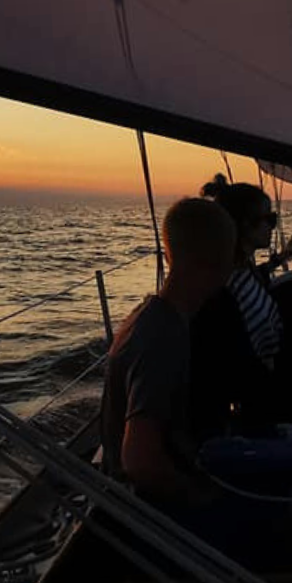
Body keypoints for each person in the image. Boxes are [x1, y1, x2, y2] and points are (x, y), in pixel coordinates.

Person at [100, 197, 236, 504]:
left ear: (169, 254)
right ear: (223, 263)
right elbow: (140, 461)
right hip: (156, 517)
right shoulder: (163, 334)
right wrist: (204, 499)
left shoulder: (145, 317)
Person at [188, 174, 289, 439]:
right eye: (268, 220)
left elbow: (255, 283)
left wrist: (282, 258)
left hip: (266, 386)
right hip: (254, 407)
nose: (272, 226)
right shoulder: (222, 290)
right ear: (244, 226)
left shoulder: (244, 269)